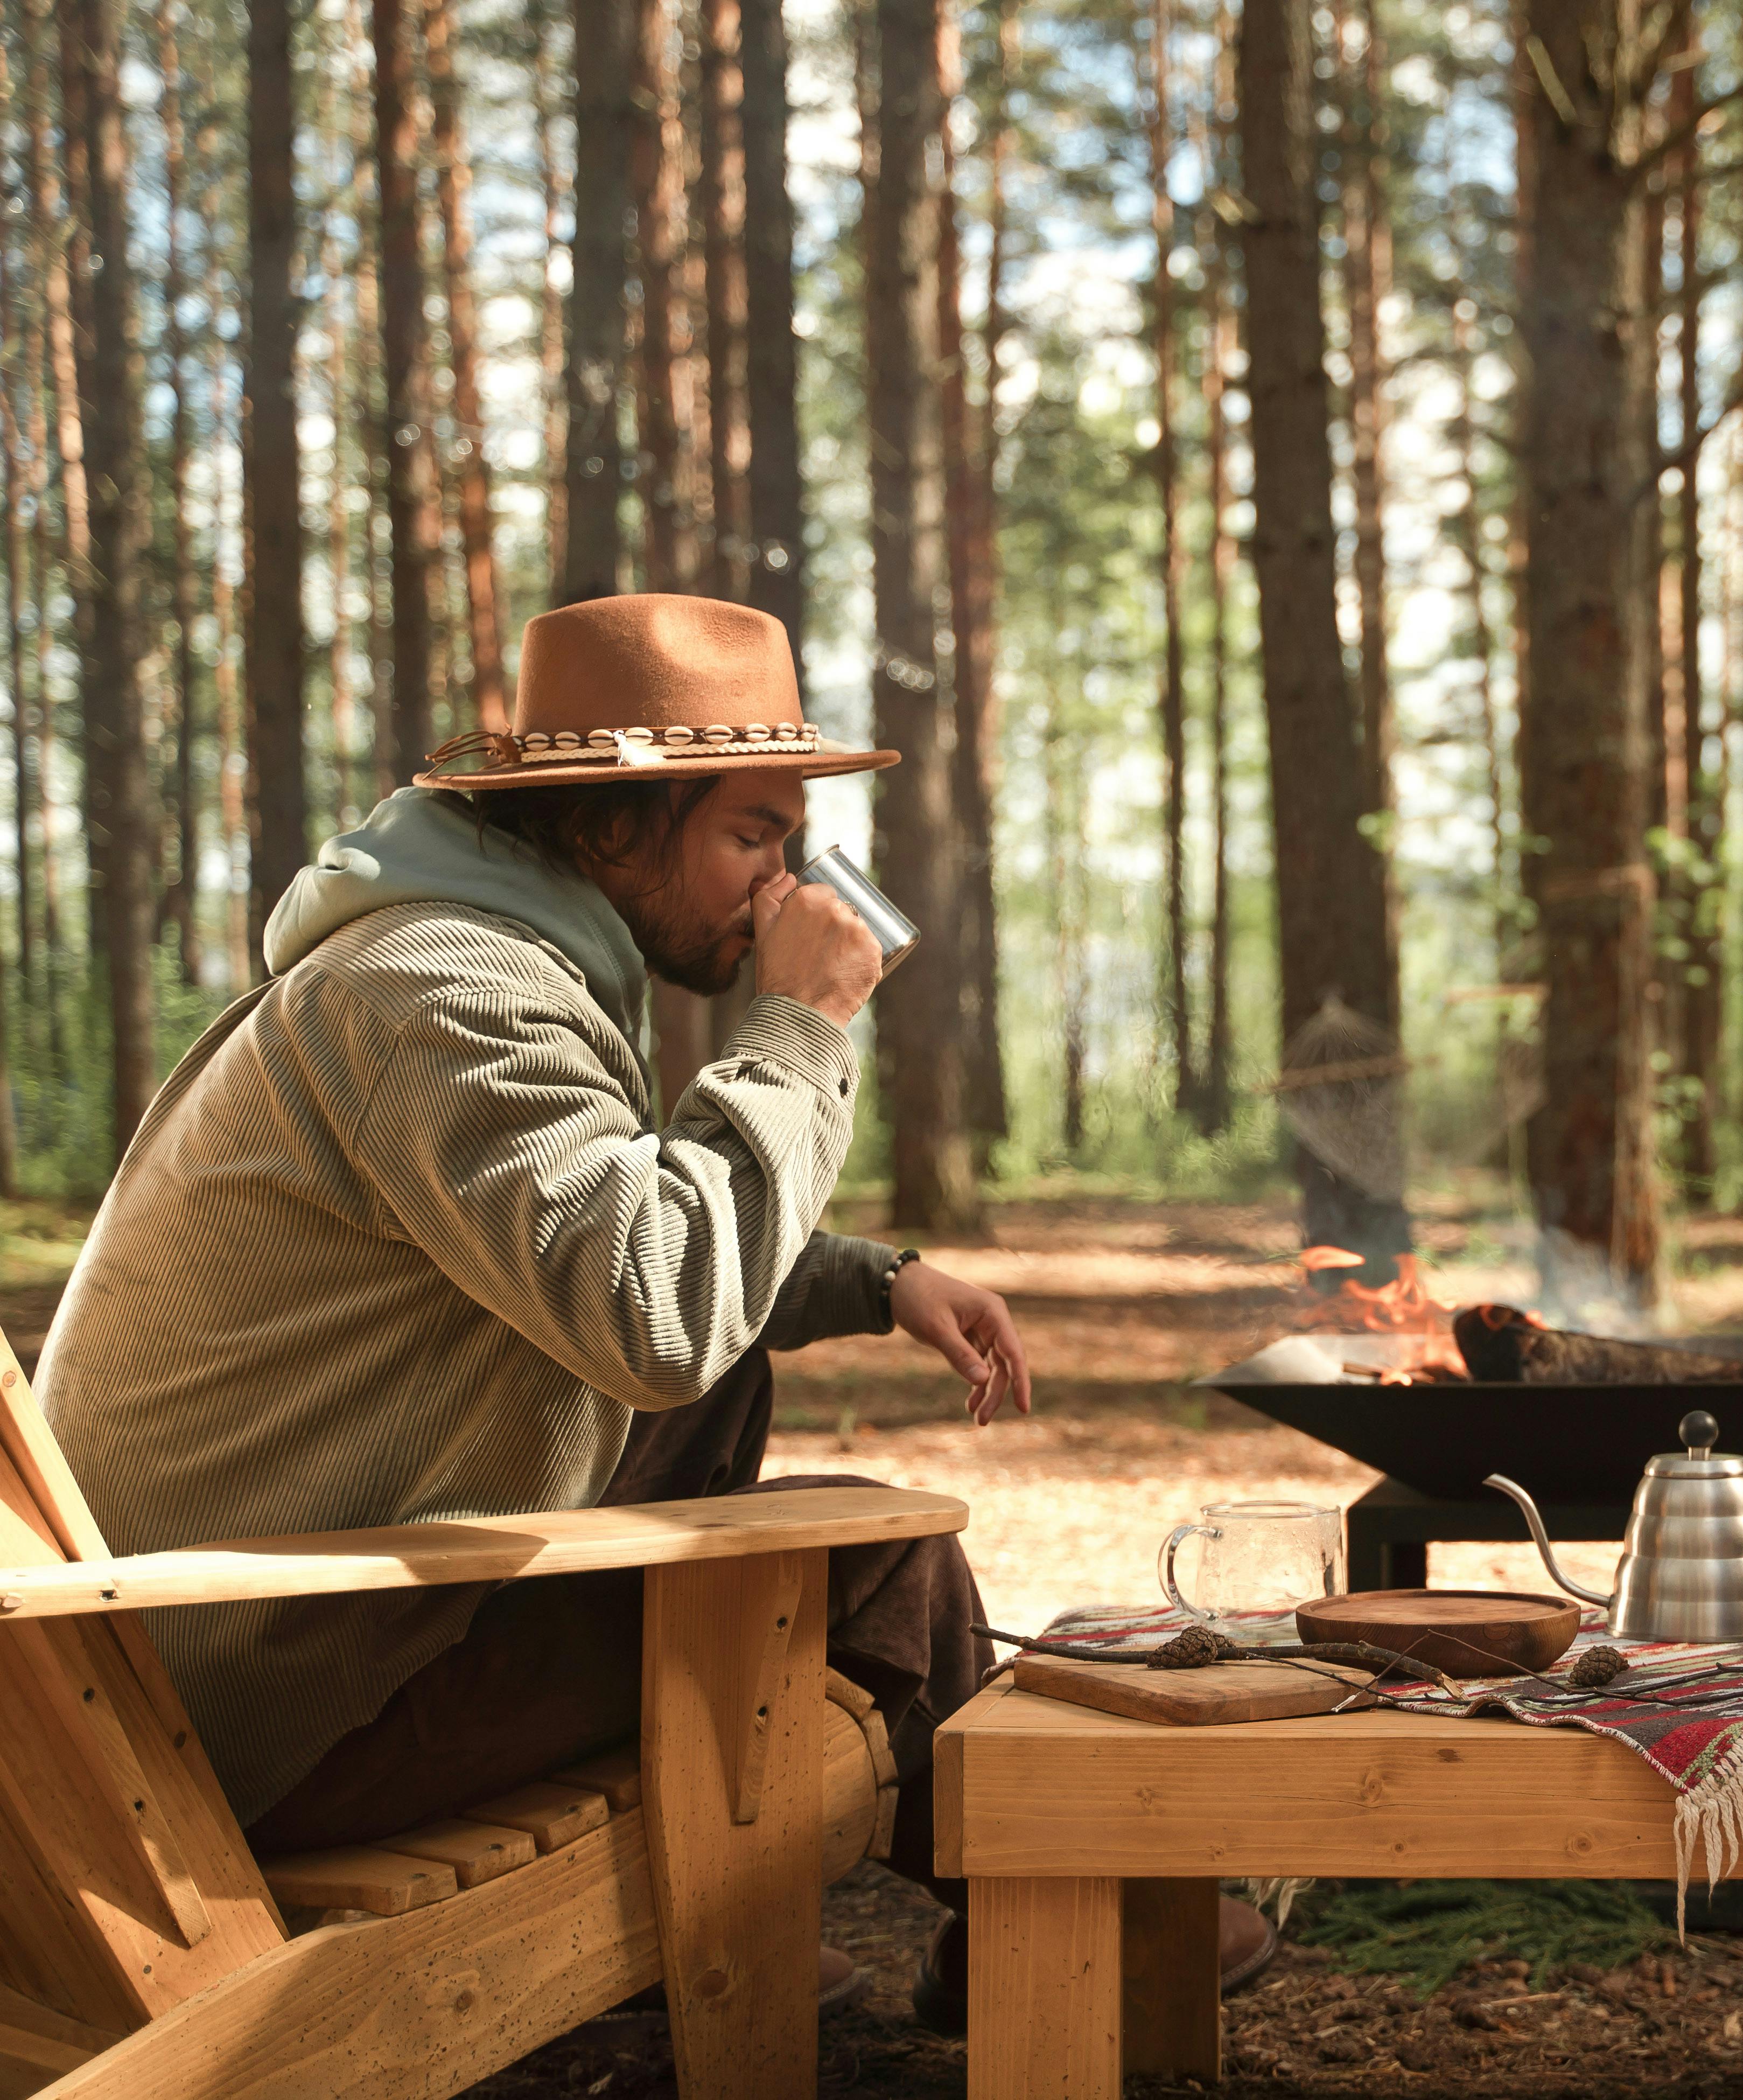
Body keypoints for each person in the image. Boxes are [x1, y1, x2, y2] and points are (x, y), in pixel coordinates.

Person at [38, 594, 1273, 2031]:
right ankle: (1016, 1923)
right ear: (615, 828)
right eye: (754, 834)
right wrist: (800, 1021)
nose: (783, 885)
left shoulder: (471, 961)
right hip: (260, 1710)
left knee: (751, 1432)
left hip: (272, 1636)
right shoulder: (448, 995)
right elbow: (655, 1306)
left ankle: (760, 1910)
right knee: (881, 1559)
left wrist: (877, 1279)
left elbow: (585, 1234)